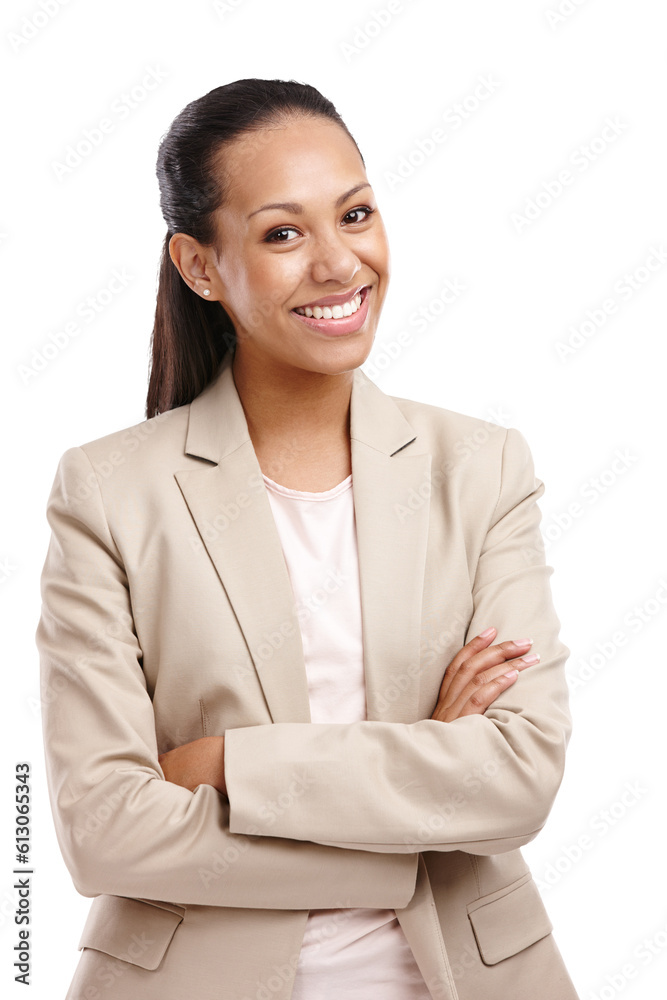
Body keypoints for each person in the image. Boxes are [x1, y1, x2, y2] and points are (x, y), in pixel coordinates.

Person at [36, 78, 580, 999]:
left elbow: (517, 780)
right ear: (200, 266)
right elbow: (106, 830)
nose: (339, 263)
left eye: (355, 214)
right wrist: (416, 783)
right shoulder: (108, 491)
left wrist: (226, 765)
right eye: (283, 233)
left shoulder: (479, 468)